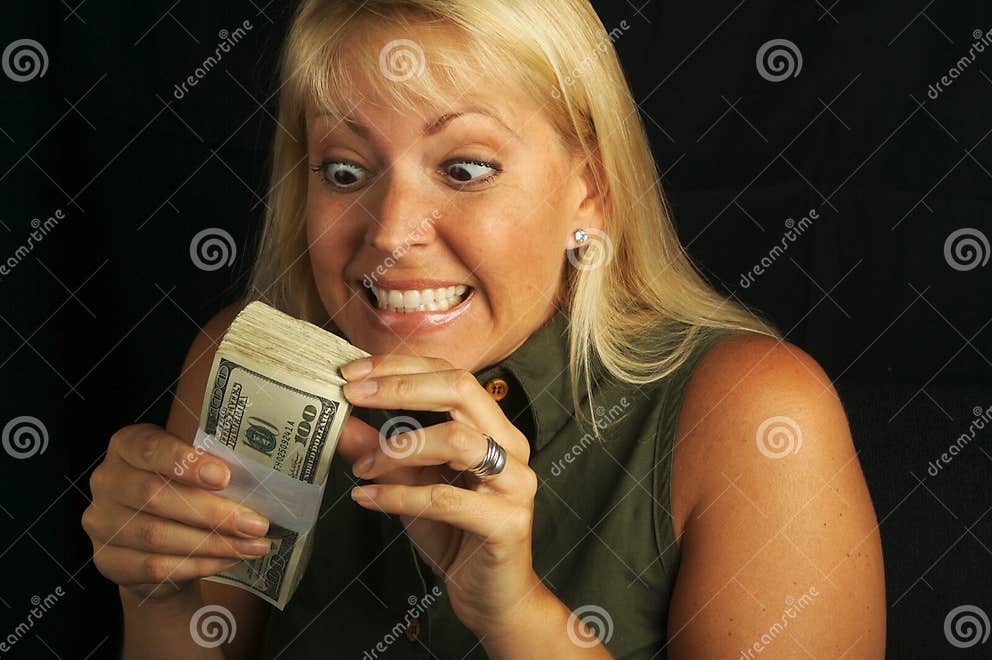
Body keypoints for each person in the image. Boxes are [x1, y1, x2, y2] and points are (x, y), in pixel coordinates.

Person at [81, 0, 887, 657]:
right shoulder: (247, 366)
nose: (391, 232)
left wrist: (521, 620)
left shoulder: (751, 415)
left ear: (590, 194)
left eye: (465, 168)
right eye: (345, 171)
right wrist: (162, 594)